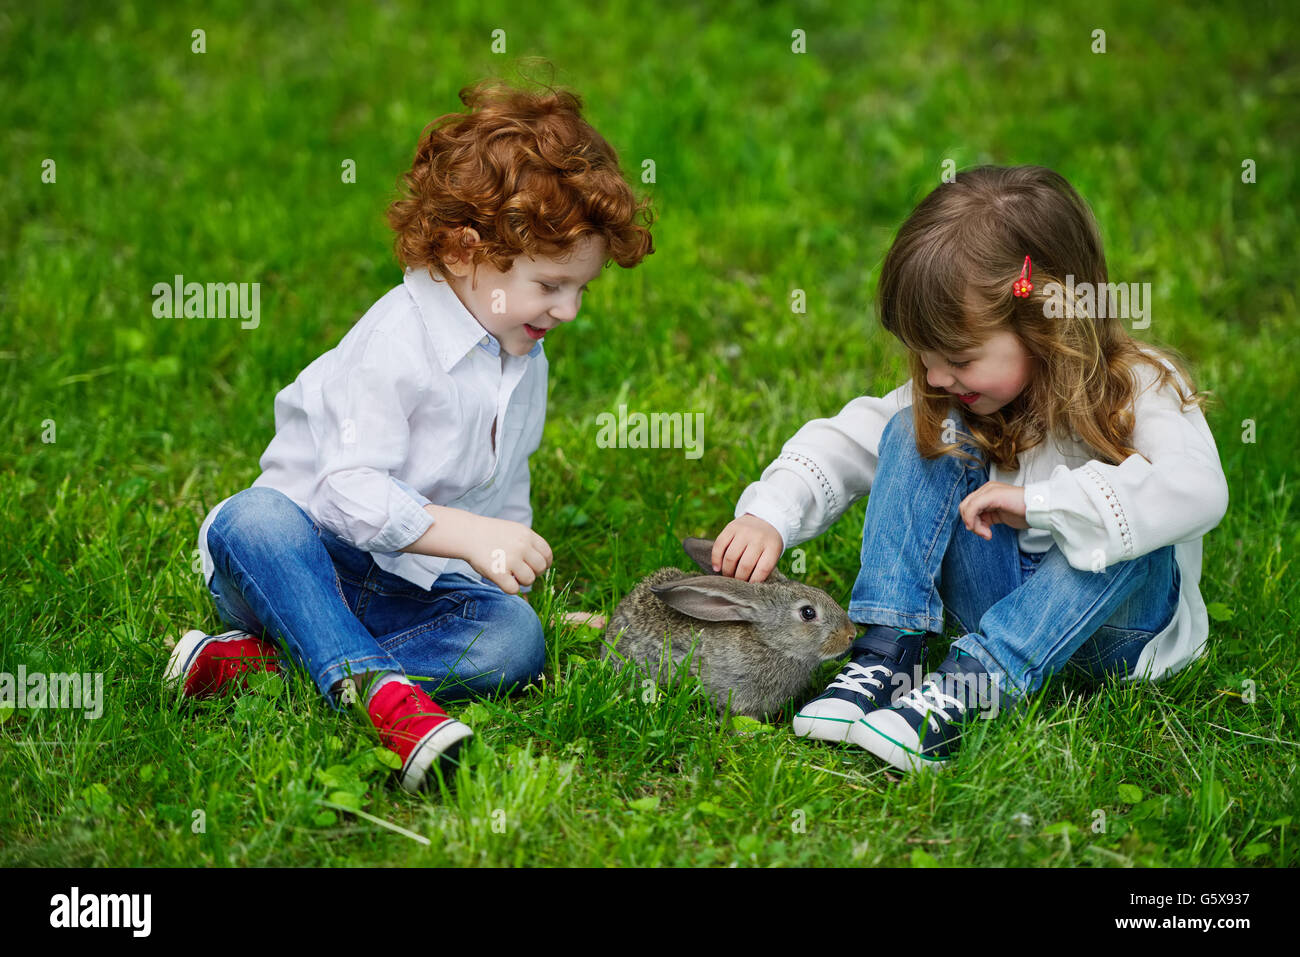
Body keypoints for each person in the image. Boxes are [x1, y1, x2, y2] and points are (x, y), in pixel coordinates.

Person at [165, 79, 653, 792]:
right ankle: (388, 702)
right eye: (551, 285)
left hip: (395, 584)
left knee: (514, 644)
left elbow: (502, 481)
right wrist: (467, 535)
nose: (570, 310)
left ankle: (272, 661)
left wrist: (503, 572)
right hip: (294, 563)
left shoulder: (522, 353)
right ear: (464, 253)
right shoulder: (396, 341)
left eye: (582, 288)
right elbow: (345, 495)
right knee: (252, 517)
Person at [710, 165, 1227, 772]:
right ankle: (886, 651)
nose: (933, 376)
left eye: (957, 357)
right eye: (924, 356)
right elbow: (845, 441)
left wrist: (1043, 506)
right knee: (914, 431)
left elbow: (1199, 492)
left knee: (1127, 529)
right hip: (993, 599)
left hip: (1114, 636)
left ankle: (974, 682)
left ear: (1048, 321)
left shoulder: (1136, 386)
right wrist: (772, 513)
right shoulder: (954, 395)